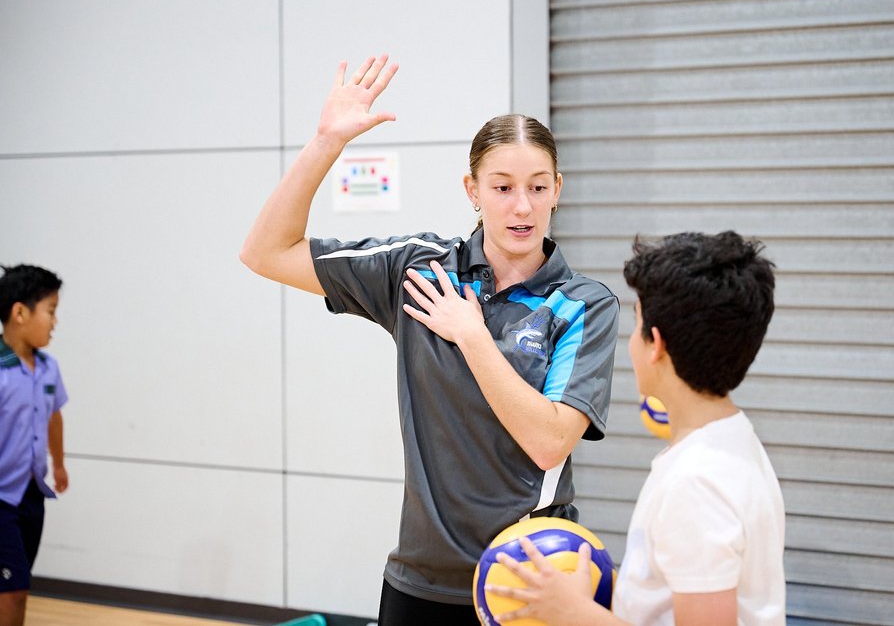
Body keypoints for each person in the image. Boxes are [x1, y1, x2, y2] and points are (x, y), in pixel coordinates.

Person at [239, 55, 619, 624]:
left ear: (557, 190)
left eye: (538, 187)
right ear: (473, 190)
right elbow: (266, 252)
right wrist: (325, 143)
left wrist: (472, 335)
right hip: (418, 580)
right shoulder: (419, 270)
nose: (522, 206)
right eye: (502, 187)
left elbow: (548, 443)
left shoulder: (584, 304)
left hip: (531, 578)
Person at [487, 231, 786, 626]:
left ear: (655, 345)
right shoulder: (733, 440)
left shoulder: (696, 484)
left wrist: (574, 612)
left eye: (637, 322)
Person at [0, 265, 70, 626]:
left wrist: (58, 464)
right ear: (20, 313)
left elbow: (54, 416)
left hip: (31, 495)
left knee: (19, 585)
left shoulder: (48, 368)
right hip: (1, 499)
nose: (55, 322)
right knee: (12, 591)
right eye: (51, 311)